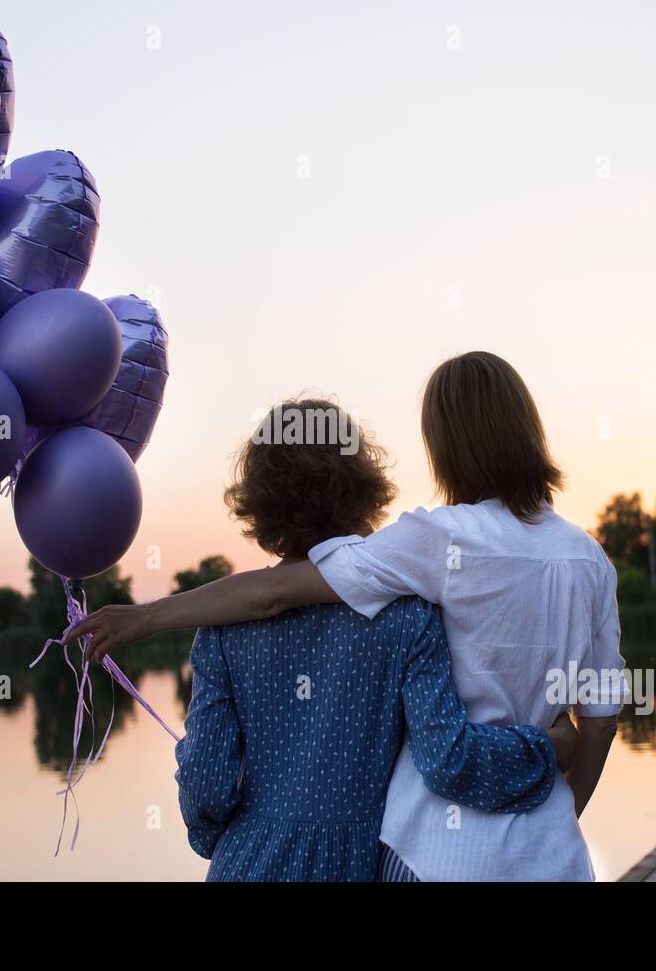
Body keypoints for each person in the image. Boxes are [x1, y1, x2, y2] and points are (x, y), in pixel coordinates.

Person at [71, 353, 626, 881]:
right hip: (490, 855)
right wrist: (559, 790)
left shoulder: (431, 543)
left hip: (394, 854)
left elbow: (269, 598)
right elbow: (598, 718)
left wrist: (148, 618)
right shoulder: (580, 563)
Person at [171, 398, 574, 880]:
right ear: (362, 490)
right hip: (359, 863)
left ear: (259, 500)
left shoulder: (223, 627)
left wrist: (229, 838)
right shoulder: (407, 613)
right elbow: (447, 760)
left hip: (246, 862)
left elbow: (205, 784)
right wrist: (547, 747)